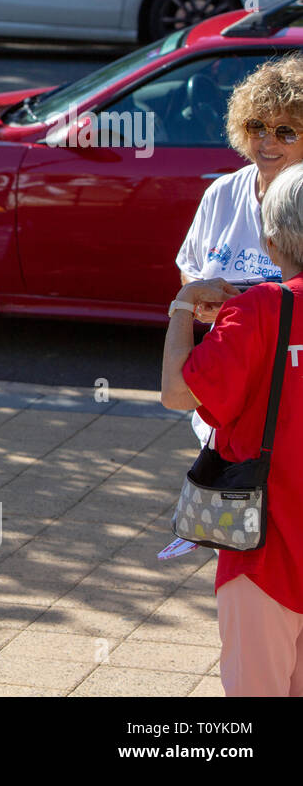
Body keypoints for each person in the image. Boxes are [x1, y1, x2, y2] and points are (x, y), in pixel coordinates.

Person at [161, 161, 303, 697]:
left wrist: (183, 308)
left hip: (265, 551)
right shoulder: (257, 313)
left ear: (270, 239)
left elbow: (178, 393)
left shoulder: (263, 311)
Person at [175, 55, 303, 444]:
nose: (267, 141)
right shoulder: (224, 192)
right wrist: (204, 299)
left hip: (289, 405)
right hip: (224, 397)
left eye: (286, 131)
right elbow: (192, 267)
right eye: (256, 126)